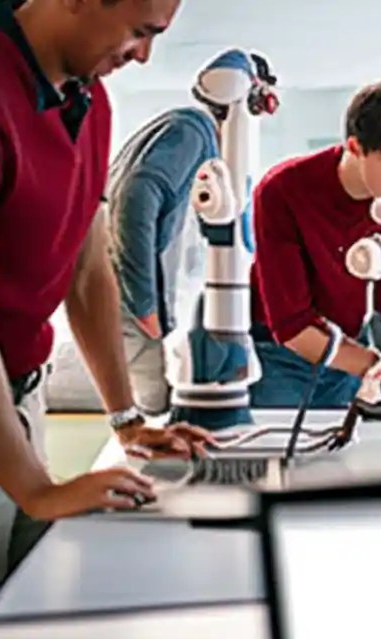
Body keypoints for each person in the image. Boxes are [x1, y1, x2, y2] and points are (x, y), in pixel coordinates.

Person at [0, 0, 214, 639]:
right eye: (141, 31)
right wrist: (37, 487)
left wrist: (127, 419)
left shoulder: (88, 105)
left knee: (26, 615)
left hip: (16, 399)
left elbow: (87, 273)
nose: (144, 54)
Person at [248, 80, 381, 408]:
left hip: (349, 344)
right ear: (355, 147)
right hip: (279, 355)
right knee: (285, 453)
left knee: (344, 454)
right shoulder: (281, 191)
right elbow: (292, 327)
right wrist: (379, 366)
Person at [107, 49, 274, 415]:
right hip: (136, 307)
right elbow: (135, 199)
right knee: (162, 413)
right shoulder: (190, 130)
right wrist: (145, 305)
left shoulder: (204, 144)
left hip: (152, 304)